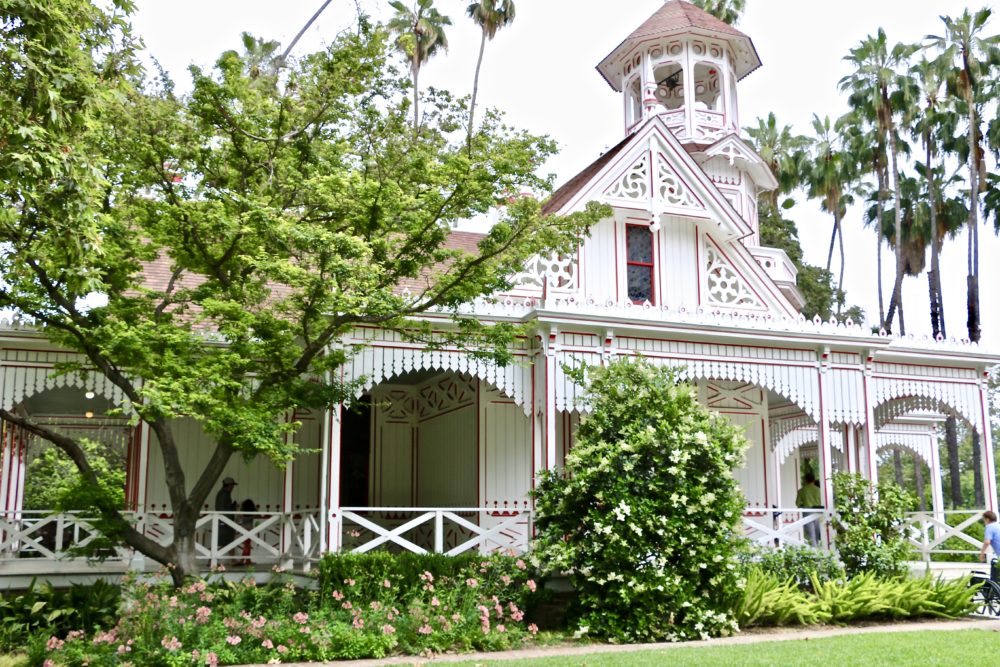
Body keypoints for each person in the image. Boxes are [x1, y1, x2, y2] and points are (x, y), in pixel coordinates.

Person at [795, 470, 823, 547]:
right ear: (814, 480)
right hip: (819, 513)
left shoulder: (802, 490)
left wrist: (803, 505)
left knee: (811, 535)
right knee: (817, 534)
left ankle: (814, 552)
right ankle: (817, 550)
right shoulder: (819, 490)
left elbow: (797, 503)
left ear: (806, 480)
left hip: (807, 513)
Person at [214, 477, 237, 558]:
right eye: (232, 485)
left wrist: (233, 507)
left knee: (229, 541)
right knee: (225, 542)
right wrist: (228, 519)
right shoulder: (222, 495)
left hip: (227, 521)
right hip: (224, 522)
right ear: (228, 485)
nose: (233, 487)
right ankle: (211, 559)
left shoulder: (226, 494)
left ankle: (233, 560)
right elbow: (221, 509)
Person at [979, 510, 1000, 581]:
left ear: (987, 519)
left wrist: (982, 553)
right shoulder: (998, 525)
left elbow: (987, 542)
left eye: (984, 519)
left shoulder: (989, 527)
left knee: (995, 567)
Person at [239, 497, 257, 565]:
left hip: (243, 529)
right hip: (250, 529)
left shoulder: (242, 512)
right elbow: (255, 516)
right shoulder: (253, 513)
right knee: (247, 545)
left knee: (247, 545)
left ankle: (246, 560)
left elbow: (239, 518)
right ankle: (245, 560)